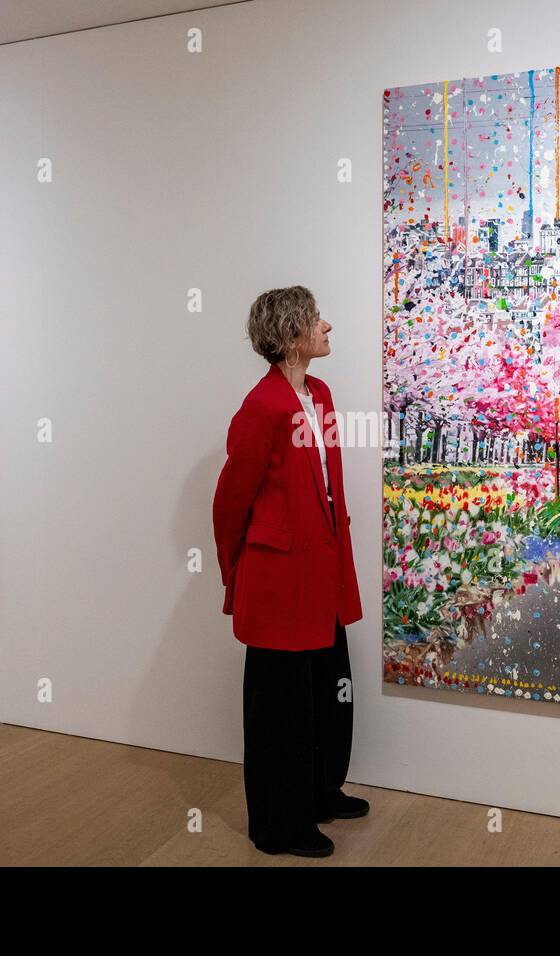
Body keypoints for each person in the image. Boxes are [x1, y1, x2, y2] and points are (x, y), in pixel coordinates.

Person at [211, 285, 368, 858]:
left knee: (330, 691)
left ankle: (321, 791)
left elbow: (325, 487)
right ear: (292, 336)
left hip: (321, 572)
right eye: (316, 320)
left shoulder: (319, 395)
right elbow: (230, 503)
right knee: (280, 709)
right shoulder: (261, 408)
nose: (328, 327)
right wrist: (237, 574)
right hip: (278, 581)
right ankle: (278, 824)